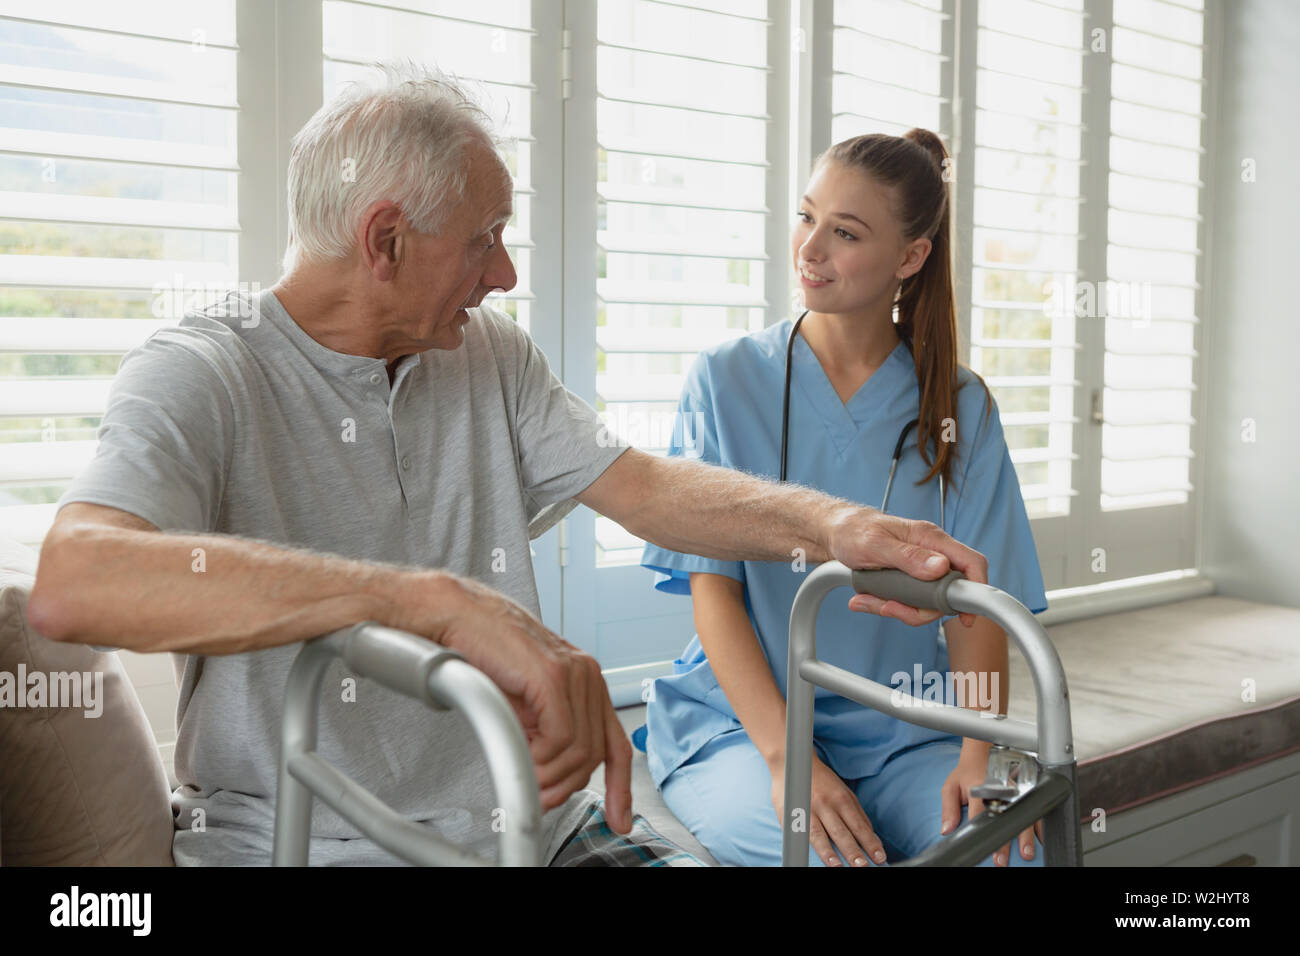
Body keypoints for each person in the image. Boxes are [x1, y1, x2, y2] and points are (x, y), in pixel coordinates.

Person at [25, 68, 989, 868]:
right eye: (485, 238)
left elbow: (644, 487)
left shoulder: (485, 350)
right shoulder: (205, 369)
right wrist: (428, 601)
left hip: (535, 831)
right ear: (386, 240)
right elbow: (76, 581)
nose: (505, 274)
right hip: (310, 843)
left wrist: (826, 525)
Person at [639, 129, 1050, 868]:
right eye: (806, 217)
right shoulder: (726, 380)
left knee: (1010, 857)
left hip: (902, 729)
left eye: (846, 232)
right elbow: (716, 596)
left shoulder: (961, 405)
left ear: (911, 257)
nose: (811, 247)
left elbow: (976, 613)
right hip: (743, 726)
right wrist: (784, 759)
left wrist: (977, 751)